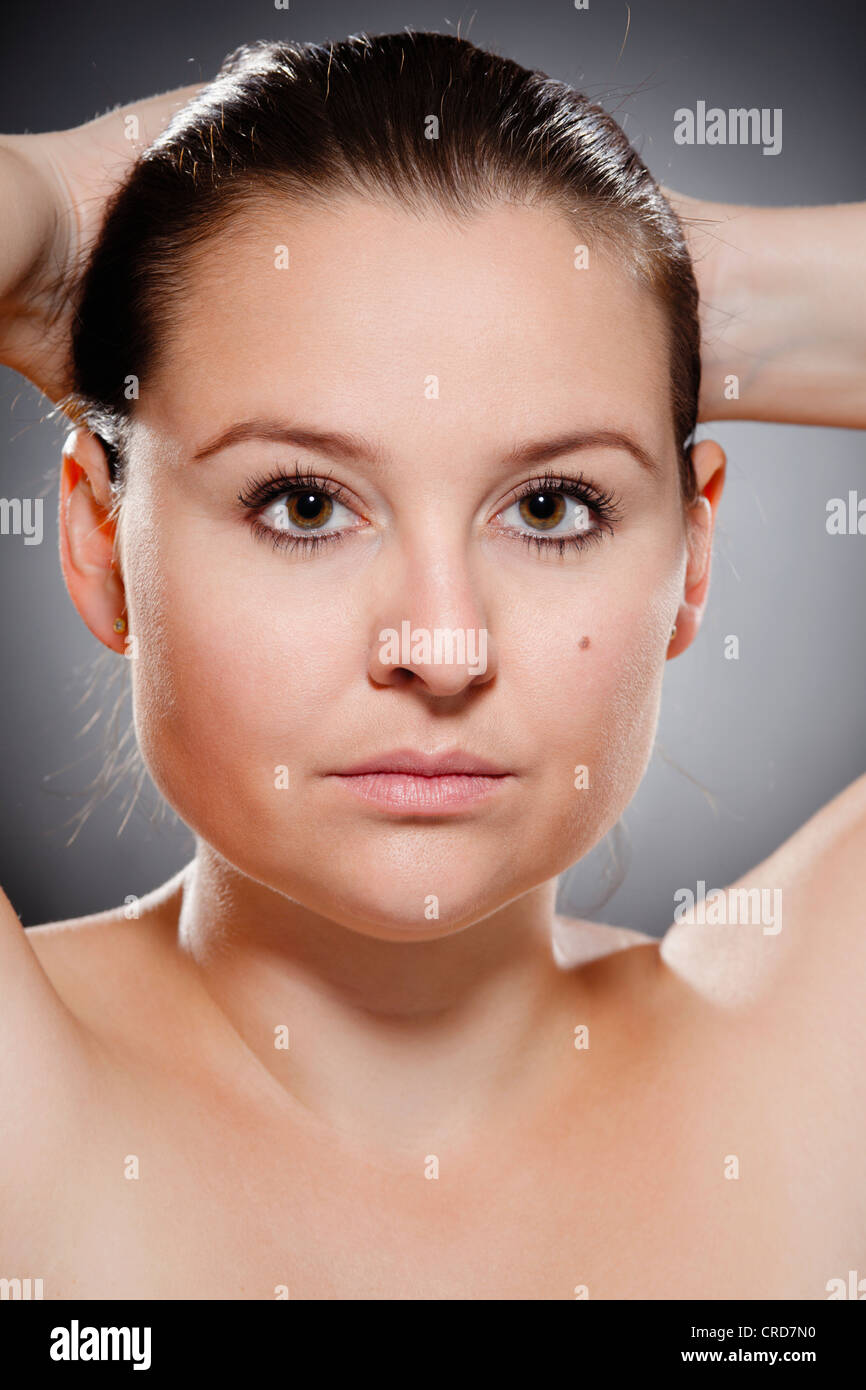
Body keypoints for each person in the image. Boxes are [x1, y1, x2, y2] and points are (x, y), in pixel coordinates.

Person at [0, 31, 863, 1300]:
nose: (439, 647)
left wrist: (673, 285)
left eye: (553, 505)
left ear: (691, 554)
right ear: (99, 541)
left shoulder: (814, 1064)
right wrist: (48, 215)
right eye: (301, 504)